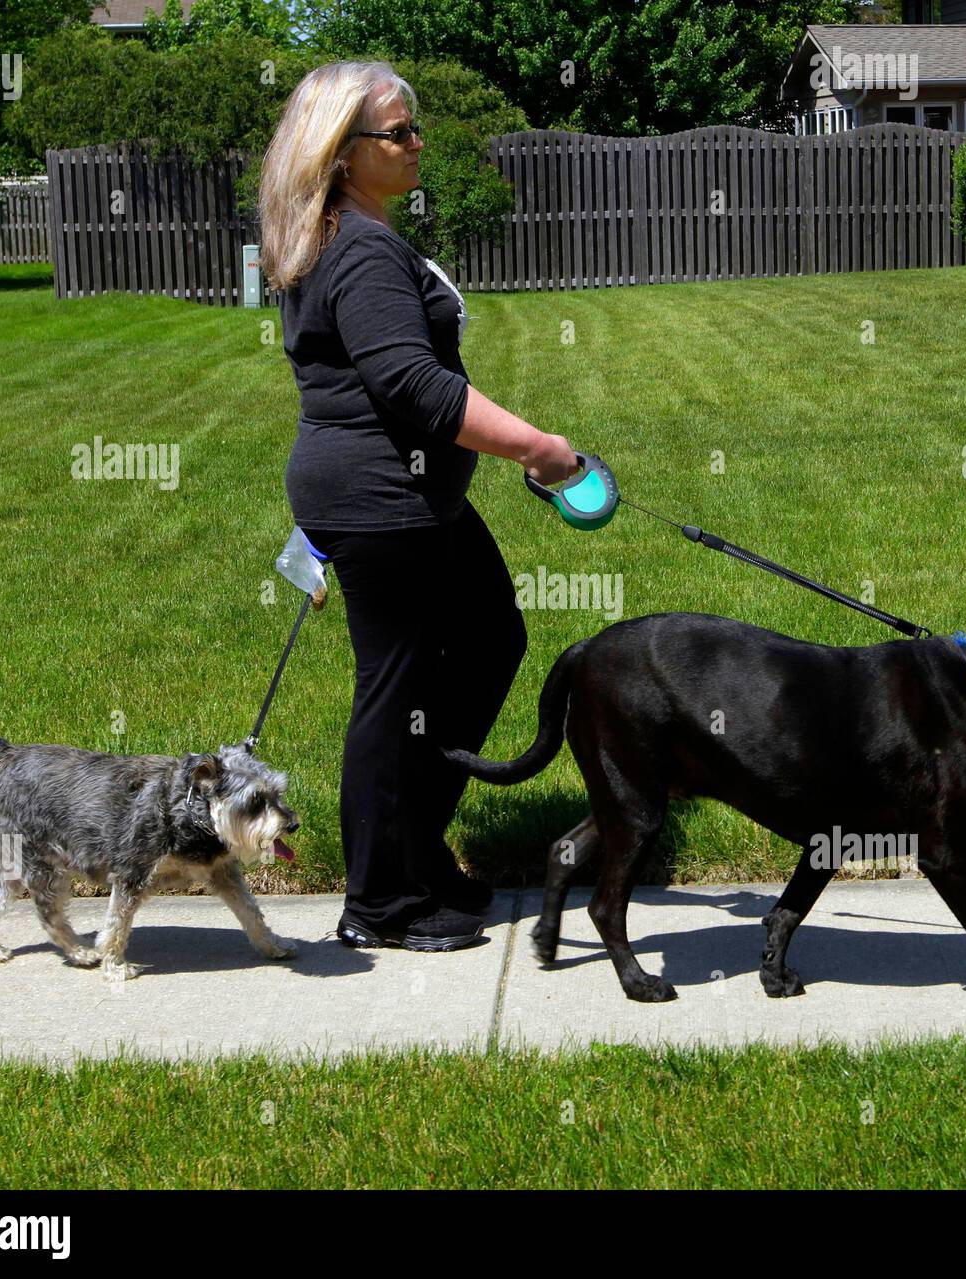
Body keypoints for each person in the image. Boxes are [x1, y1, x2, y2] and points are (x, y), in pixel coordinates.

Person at [258, 61, 578, 953]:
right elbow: (413, 386)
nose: (417, 144)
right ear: (345, 152)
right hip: (378, 498)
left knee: (487, 639)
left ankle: (412, 850)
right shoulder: (358, 248)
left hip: (404, 492)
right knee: (393, 690)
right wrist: (541, 448)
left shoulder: (351, 234)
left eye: (413, 128)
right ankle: (379, 902)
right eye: (398, 133)